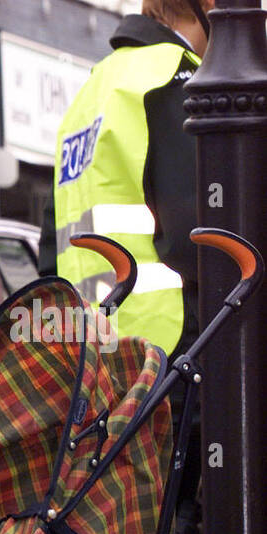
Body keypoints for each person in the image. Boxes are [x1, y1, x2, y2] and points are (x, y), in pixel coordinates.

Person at [39, 0, 215, 357]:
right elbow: (197, 234)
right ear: (209, 5)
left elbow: (50, 249)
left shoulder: (91, 92)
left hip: (93, 356)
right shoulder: (177, 76)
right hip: (171, 350)